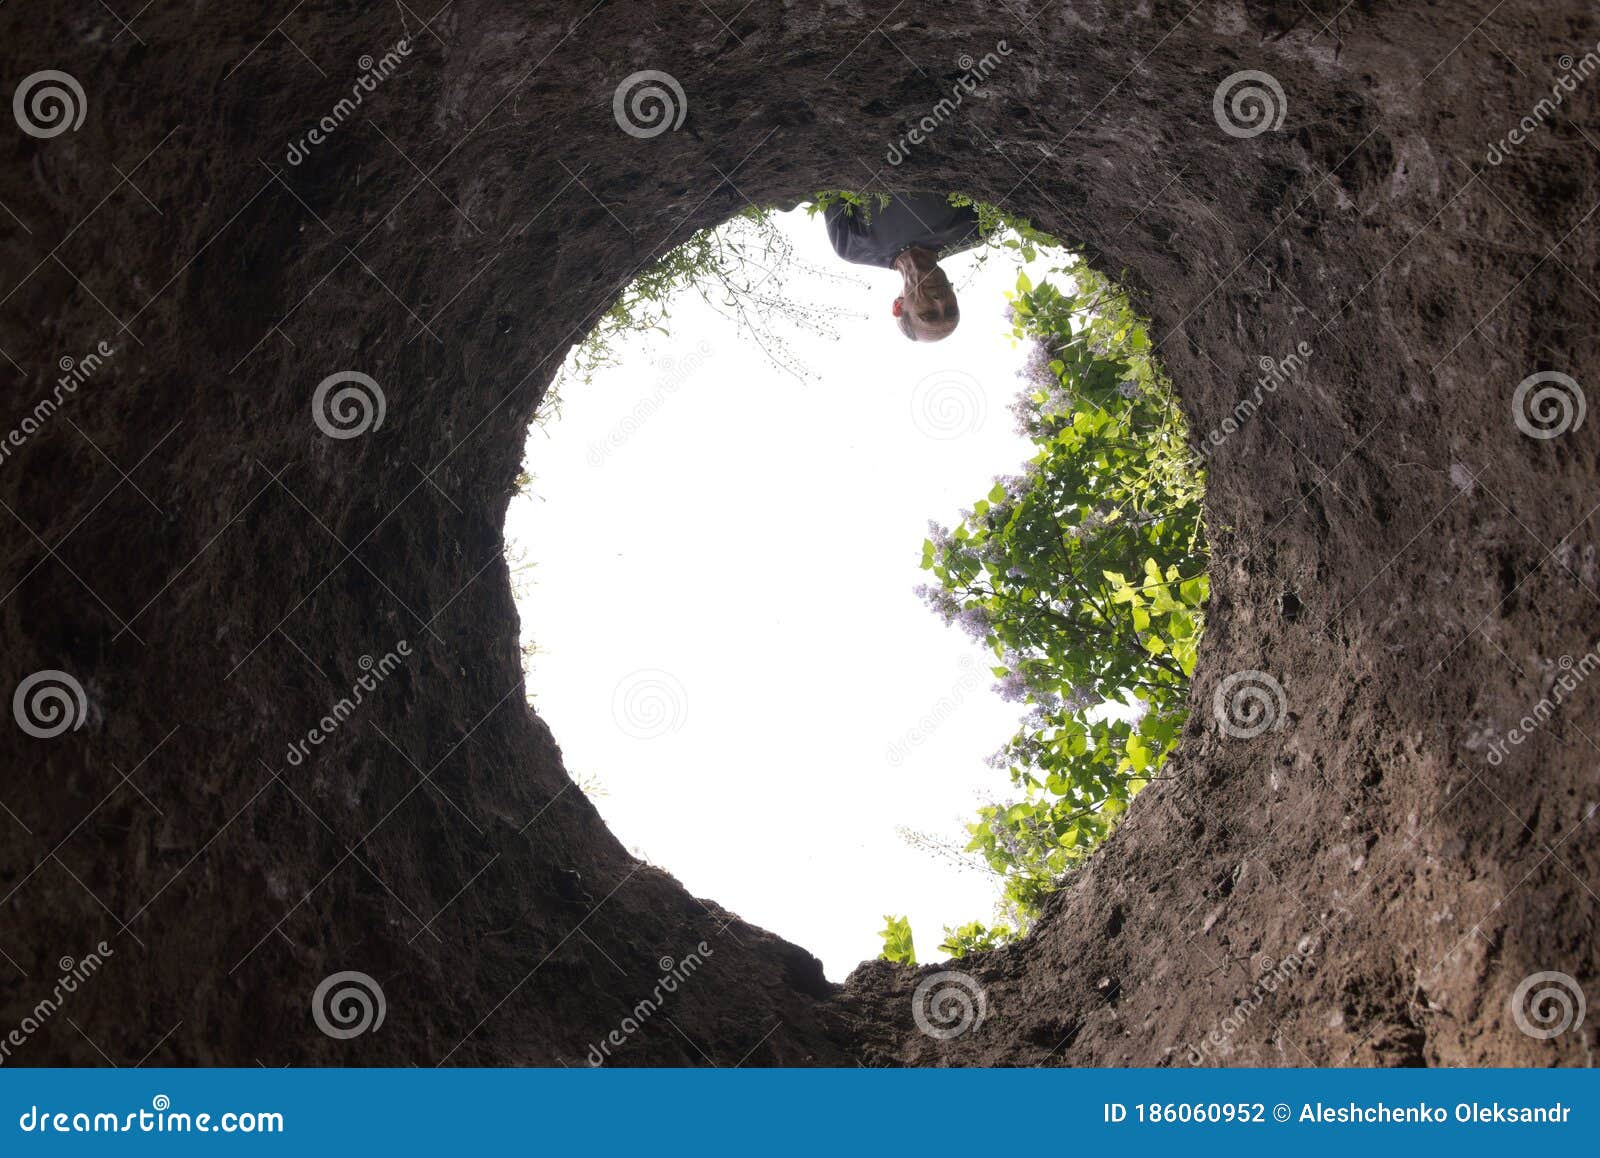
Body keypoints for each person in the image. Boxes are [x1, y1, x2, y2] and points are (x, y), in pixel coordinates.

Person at [823, 193, 982, 342]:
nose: (940, 301)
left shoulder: (852, 248)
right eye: (950, 309)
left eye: (929, 314)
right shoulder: (974, 230)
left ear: (898, 306)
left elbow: (826, 181)